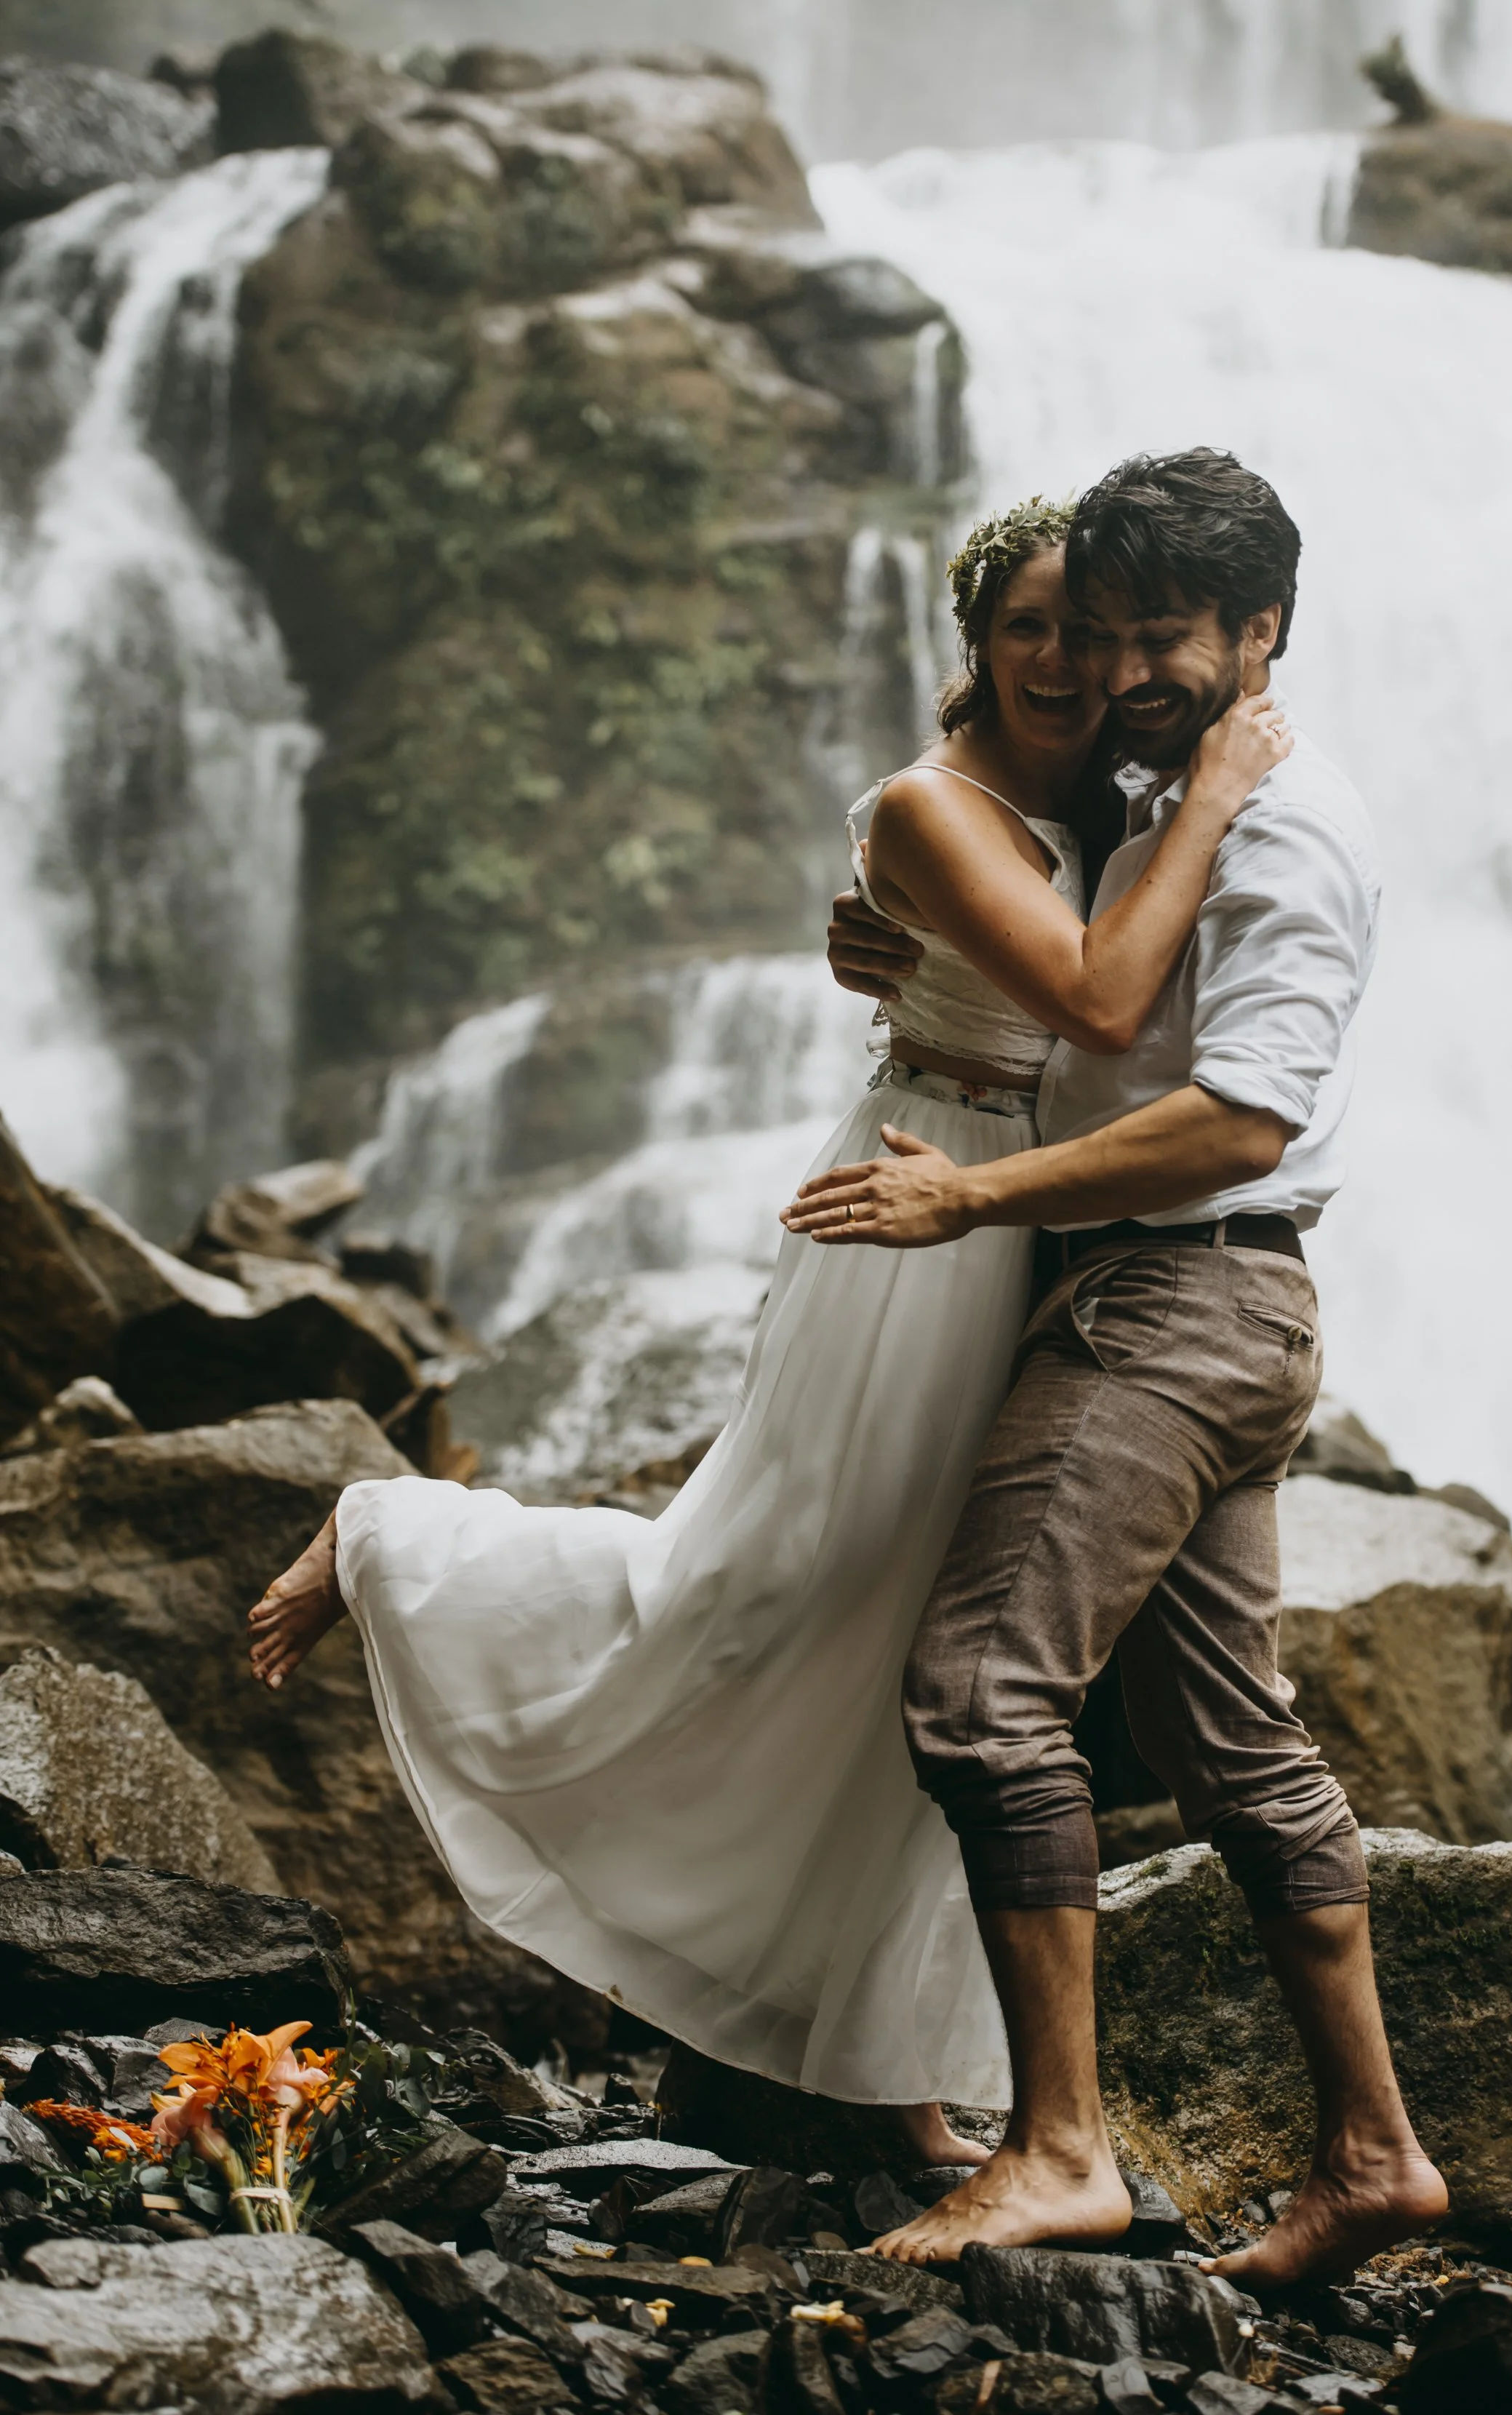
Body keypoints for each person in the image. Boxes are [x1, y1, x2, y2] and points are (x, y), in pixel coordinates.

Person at [245, 492, 1288, 2157]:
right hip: (910, 1210)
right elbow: (1092, 994)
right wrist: (1206, 795)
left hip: (1031, 1223)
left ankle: (843, 2068)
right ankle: (396, 1536)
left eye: (1091, 629)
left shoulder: (1105, 793)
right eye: (1031, 624)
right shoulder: (933, 808)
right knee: (780, 1576)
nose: (1070, 655)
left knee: (926, 1629)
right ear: (973, 641)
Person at [787, 447, 1448, 2282]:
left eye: (1170, 635)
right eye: (1105, 630)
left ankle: (1057, 2149)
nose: (1130, 667)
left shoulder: (1287, 822)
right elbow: (1069, 978)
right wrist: (899, 954)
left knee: (985, 1691)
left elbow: (1239, 1119)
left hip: (1175, 1303)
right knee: (1231, 1742)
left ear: (1265, 632)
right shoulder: (1156, 787)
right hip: (1189, 1306)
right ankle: (1377, 2157)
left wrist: (973, 1201)